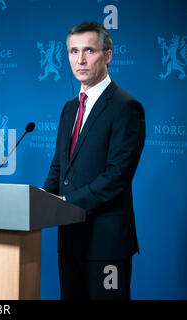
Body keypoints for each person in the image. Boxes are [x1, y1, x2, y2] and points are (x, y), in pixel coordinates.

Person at [42, 22, 145, 300]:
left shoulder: (126, 107)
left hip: (106, 244)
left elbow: (117, 175)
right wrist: (41, 197)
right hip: (70, 241)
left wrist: (66, 203)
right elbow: (59, 165)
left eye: (89, 50)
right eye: (74, 51)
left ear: (108, 55)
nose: (81, 59)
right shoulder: (69, 108)